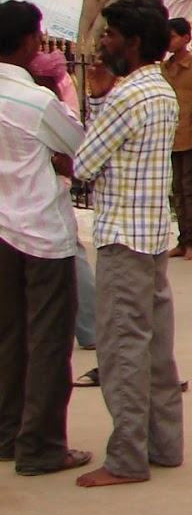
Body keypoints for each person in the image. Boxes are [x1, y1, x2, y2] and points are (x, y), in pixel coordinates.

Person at [71, 0, 183, 488]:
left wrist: (96, 101)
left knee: (121, 351)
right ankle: (165, 444)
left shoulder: (125, 96)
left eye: (112, 35)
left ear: (133, 42)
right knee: (156, 348)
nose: (105, 43)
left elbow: (82, 164)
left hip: (122, 238)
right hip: (154, 236)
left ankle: (126, 457)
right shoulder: (158, 90)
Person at [0, 0, 88, 475]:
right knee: (50, 339)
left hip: (3, 228)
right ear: (30, 41)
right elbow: (78, 147)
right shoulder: (35, 101)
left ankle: (8, 432)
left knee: (10, 336)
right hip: (40, 229)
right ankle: (41, 445)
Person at [27, 51, 95, 351]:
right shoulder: (52, 98)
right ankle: (88, 326)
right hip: (41, 193)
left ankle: (88, 326)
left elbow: (76, 149)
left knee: (67, 258)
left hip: (40, 194)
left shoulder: (46, 102)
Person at [161, 18, 192, 261]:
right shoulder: (164, 68)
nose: (169, 42)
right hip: (169, 135)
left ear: (186, 38)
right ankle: (182, 238)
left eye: (172, 36)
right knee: (176, 189)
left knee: (189, 188)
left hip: (190, 133)